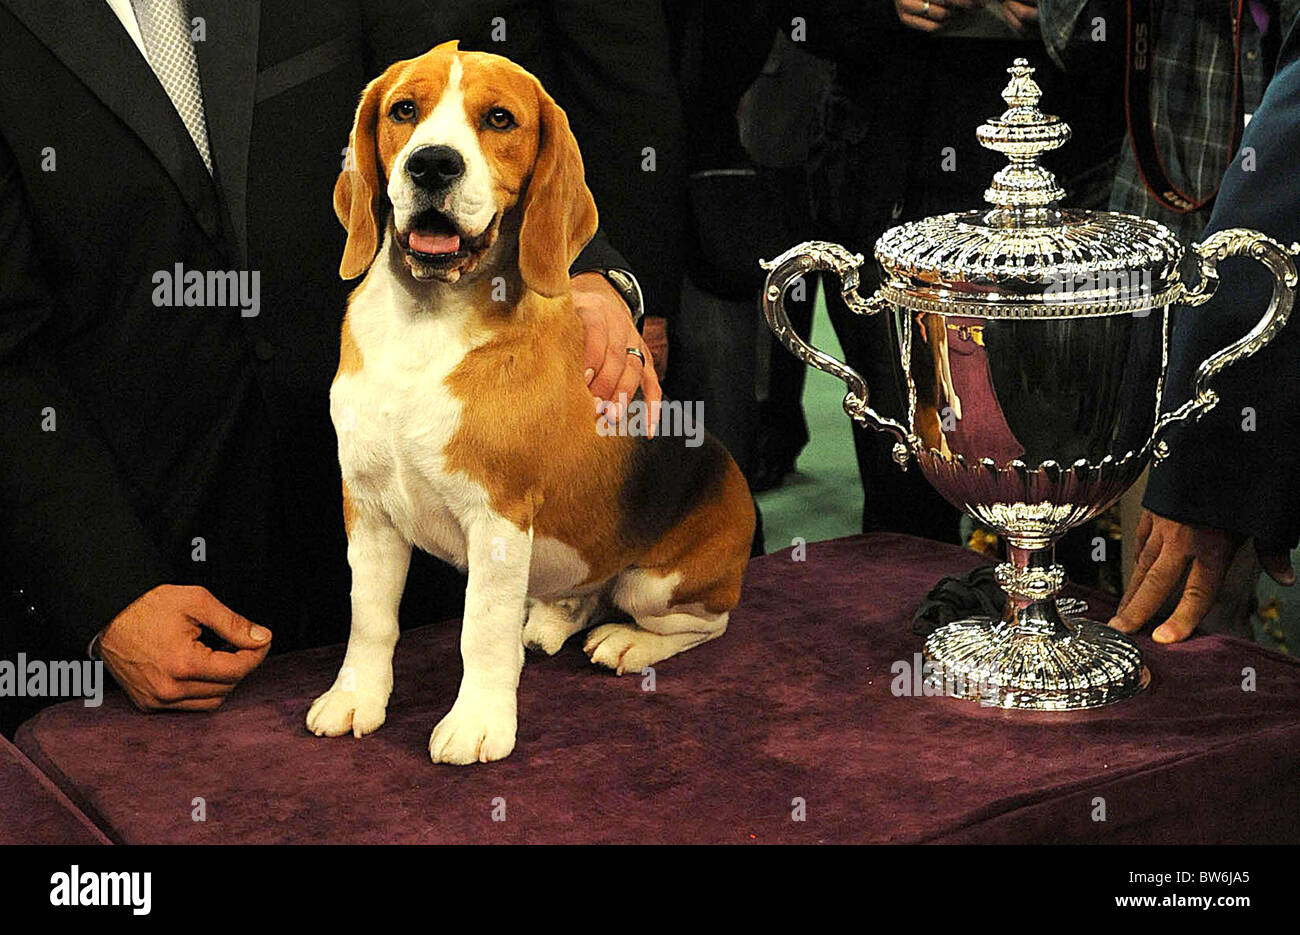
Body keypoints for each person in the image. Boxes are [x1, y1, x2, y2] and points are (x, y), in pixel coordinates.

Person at [0, 0, 682, 729]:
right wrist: (109, 597)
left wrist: (589, 273)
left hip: (438, 571)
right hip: (167, 597)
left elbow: (483, 96)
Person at [1109, 18, 1300, 643]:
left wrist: (1206, 466)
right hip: (1152, 247)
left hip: (1232, 323)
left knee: (1182, 614)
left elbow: (1266, 244)